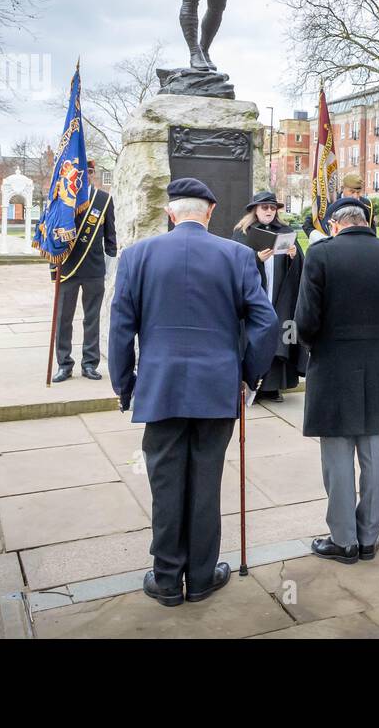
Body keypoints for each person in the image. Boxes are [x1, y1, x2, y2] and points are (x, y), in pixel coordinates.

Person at [108, 178, 279, 606]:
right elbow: (266, 322)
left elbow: (120, 328)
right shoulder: (237, 256)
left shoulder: (136, 256)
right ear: (210, 211)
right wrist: (249, 376)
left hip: (160, 386)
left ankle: (167, 579)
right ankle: (201, 576)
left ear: (171, 212)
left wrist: (124, 383)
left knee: (165, 484)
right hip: (216, 386)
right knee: (206, 482)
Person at [295, 197, 379, 564]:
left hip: (332, 361)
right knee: (371, 451)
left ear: (334, 225)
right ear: (365, 221)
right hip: (375, 360)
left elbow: (306, 320)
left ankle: (343, 539)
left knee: (337, 453)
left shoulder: (321, 255)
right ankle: (368, 536)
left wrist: (318, 343)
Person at [231, 191, 306, 402]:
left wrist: (293, 256)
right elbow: (234, 264)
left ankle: (272, 387)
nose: (269, 211)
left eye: (273, 208)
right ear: (255, 209)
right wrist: (256, 259)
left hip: (279, 294)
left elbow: (300, 264)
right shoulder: (243, 232)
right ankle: (249, 383)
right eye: (265, 207)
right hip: (255, 296)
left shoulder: (285, 231)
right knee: (254, 338)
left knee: (279, 335)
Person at [52, 159, 117, 383]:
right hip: (67, 268)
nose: (84, 176)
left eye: (88, 172)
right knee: (63, 319)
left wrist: (108, 270)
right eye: (79, 173)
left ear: (92, 174)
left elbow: (111, 239)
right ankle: (64, 364)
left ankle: (90, 363)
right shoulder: (61, 198)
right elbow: (50, 237)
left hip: (94, 269)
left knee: (92, 319)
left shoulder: (103, 199)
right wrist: (54, 268)